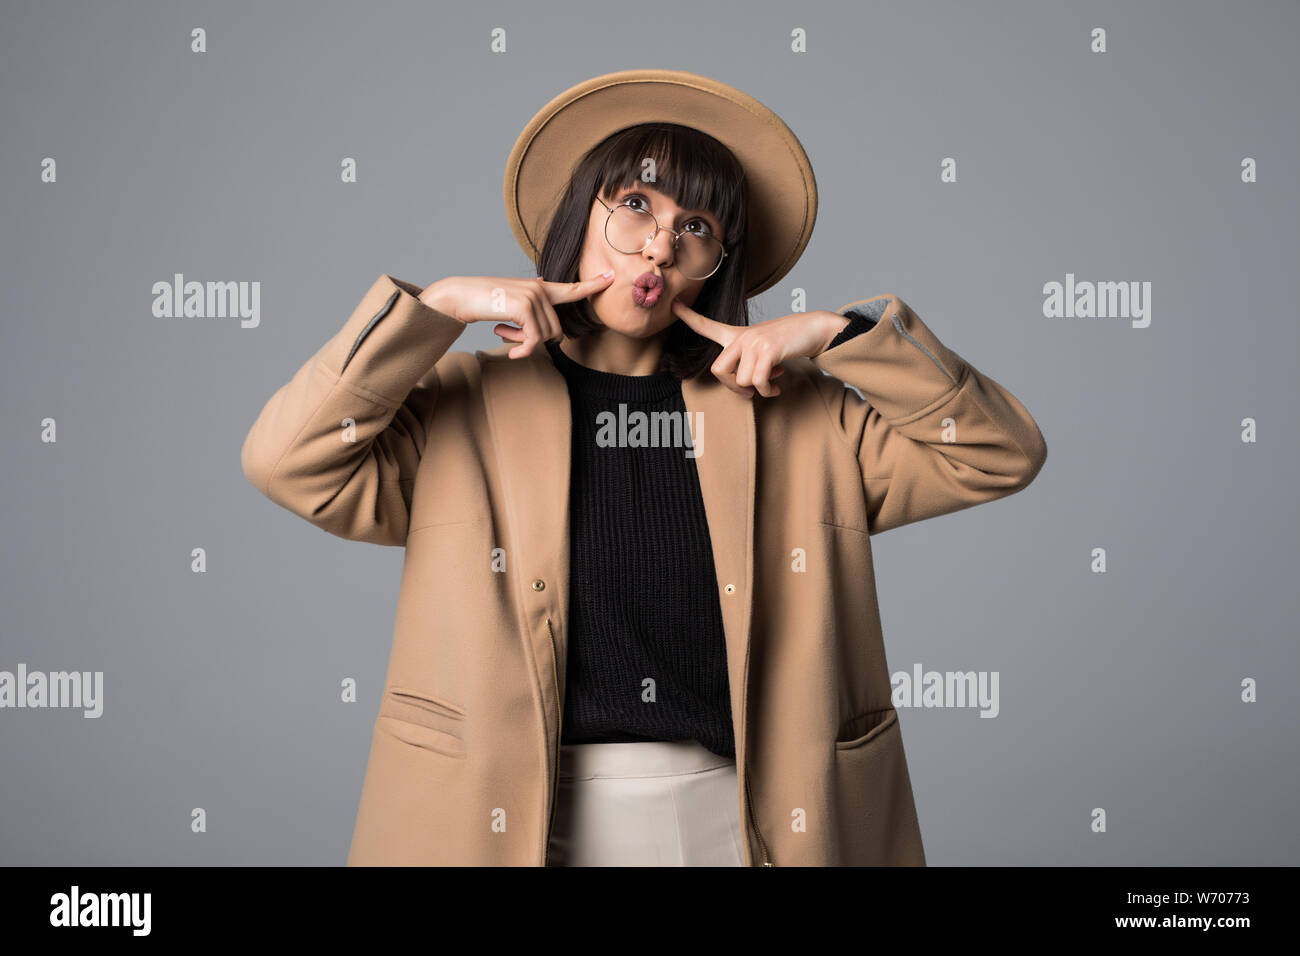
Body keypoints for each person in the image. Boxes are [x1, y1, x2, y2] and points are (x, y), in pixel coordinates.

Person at [241, 69, 1048, 867]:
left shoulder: (802, 414)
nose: (660, 245)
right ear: (578, 216)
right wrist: (440, 308)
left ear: (719, 261)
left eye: (696, 227)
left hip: (749, 820)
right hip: (508, 821)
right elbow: (289, 461)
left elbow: (998, 451)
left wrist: (840, 334)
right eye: (635, 207)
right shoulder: (460, 406)